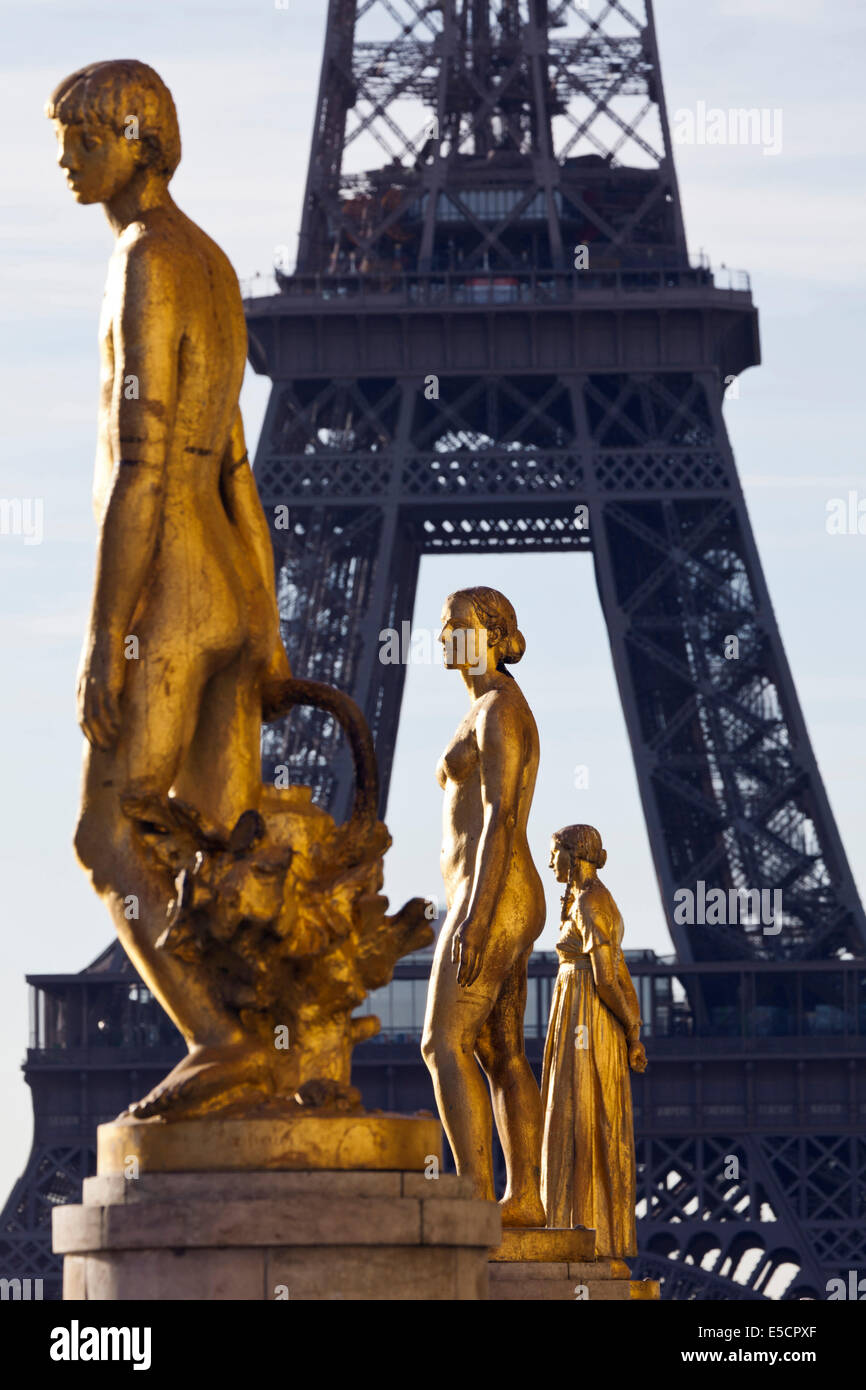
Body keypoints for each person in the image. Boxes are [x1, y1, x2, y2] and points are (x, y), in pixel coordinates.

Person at [47, 60, 291, 1114]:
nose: (65, 157)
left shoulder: (145, 258)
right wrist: (268, 622)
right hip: (230, 580)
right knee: (223, 851)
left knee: (108, 835)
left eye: (84, 137)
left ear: (140, 136)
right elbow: (237, 463)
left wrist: (108, 636)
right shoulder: (214, 261)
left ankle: (219, 1039)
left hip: (171, 587)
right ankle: (272, 1059)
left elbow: (141, 462)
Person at [422, 587, 546, 1226]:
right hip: (504, 894)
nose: (443, 638)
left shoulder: (498, 710)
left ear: (494, 635)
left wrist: (472, 913)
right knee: (501, 1051)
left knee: (442, 1042)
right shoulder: (486, 708)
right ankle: (523, 1197)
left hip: (491, 896)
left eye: (456, 627)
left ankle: (474, 1198)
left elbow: (500, 818)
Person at [541, 824, 647, 1256]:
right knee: (583, 1117)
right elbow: (619, 972)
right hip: (583, 1011)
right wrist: (634, 1026)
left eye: (554, 853)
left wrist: (631, 1028)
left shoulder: (589, 903)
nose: (550, 862)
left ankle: (579, 1225)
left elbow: (606, 979)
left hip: (586, 1013)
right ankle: (586, 1226)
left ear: (574, 854)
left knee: (577, 1115)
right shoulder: (587, 901)